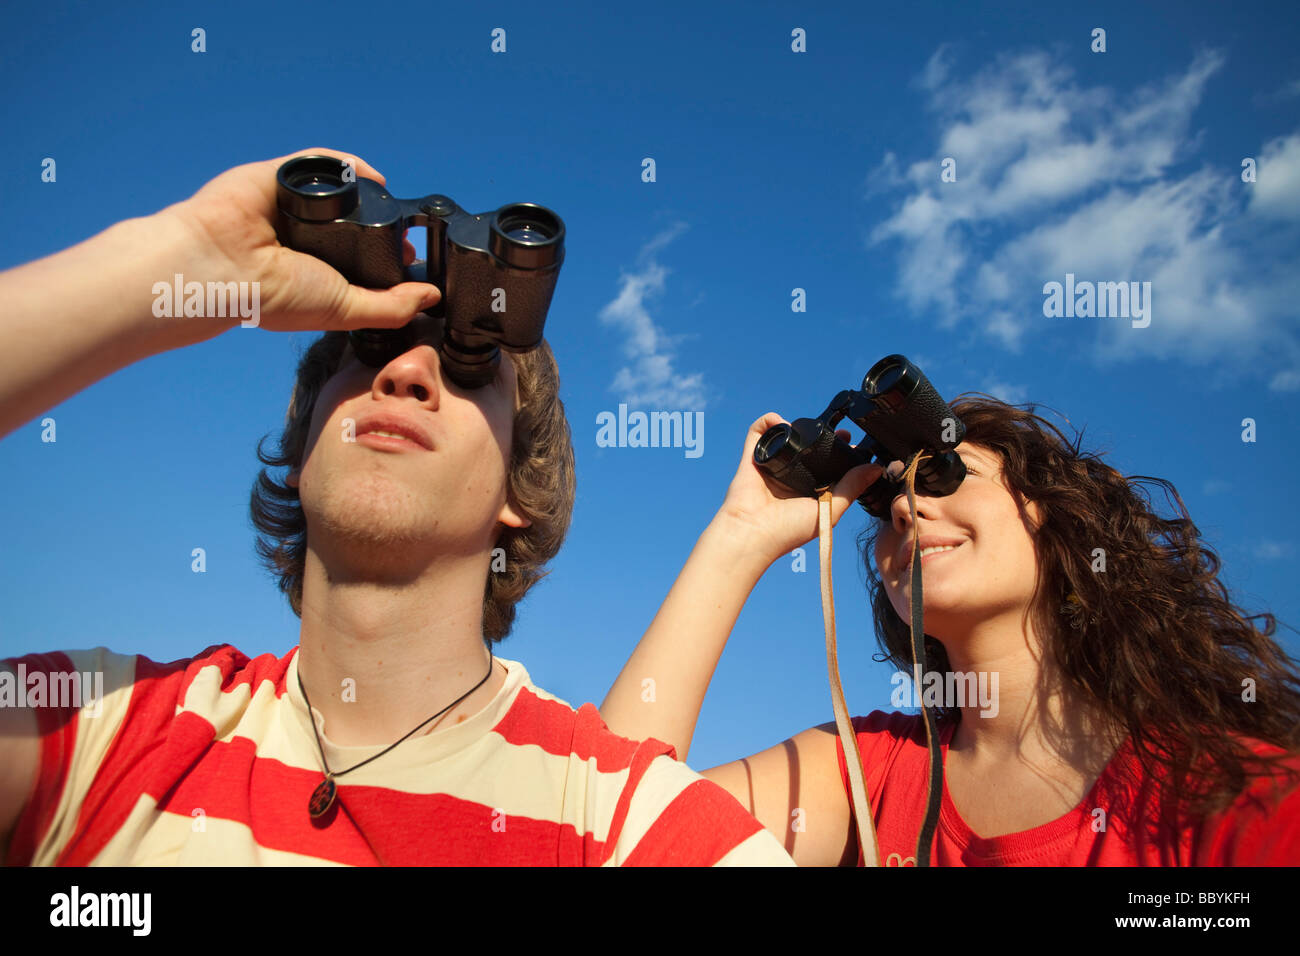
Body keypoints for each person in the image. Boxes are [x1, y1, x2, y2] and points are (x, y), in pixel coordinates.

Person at [0, 148, 794, 866]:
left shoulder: (615, 813)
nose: (406, 373)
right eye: (368, 346)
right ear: (305, 439)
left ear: (519, 493)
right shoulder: (110, 731)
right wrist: (183, 265)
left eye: (469, 368)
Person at [600, 401, 1300, 865]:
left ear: (1054, 513)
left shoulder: (1227, 793)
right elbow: (603, 830)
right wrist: (739, 538)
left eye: (941, 472)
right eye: (882, 502)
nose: (904, 510)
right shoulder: (866, 772)